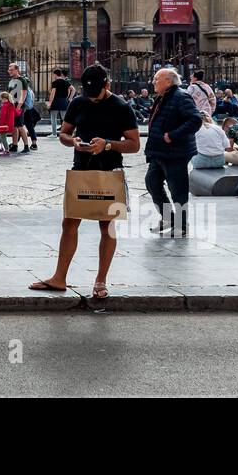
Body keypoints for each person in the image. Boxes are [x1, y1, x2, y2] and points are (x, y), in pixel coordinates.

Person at [29, 65, 140, 301]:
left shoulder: (121, 107)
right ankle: (59, 278)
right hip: (81, 168)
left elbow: (134, 144)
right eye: (88, 92)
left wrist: (108, 144)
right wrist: (74, 141)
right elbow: (64, 133)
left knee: (106, 226)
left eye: (96, 92)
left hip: (109, 170)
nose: (92, 96)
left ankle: (101, 280)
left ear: (107, 85)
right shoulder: (78, 103)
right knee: (69, 223)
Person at [143, 67, 201, 237]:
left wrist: (173, 136)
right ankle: (168, 218)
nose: (153, 82)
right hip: (159, 151)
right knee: (152, 182)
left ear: (168, 81)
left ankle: (182, 226)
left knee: (178, 190)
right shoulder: (164, 96)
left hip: (175, 152)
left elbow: (195, 120)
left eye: (156, 79)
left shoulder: (180, 96)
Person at [47, 69, 73, 134]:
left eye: (53, 75)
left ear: (55, 74)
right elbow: (73, 90)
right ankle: (66, 133)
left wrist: (49, 103)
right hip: (64, 102)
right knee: (65, 119)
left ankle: (54, 134)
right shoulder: (65, 82)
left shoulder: (55, 82)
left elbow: (53, 93)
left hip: (55, 102)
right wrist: (69, 98)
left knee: (53, 119)